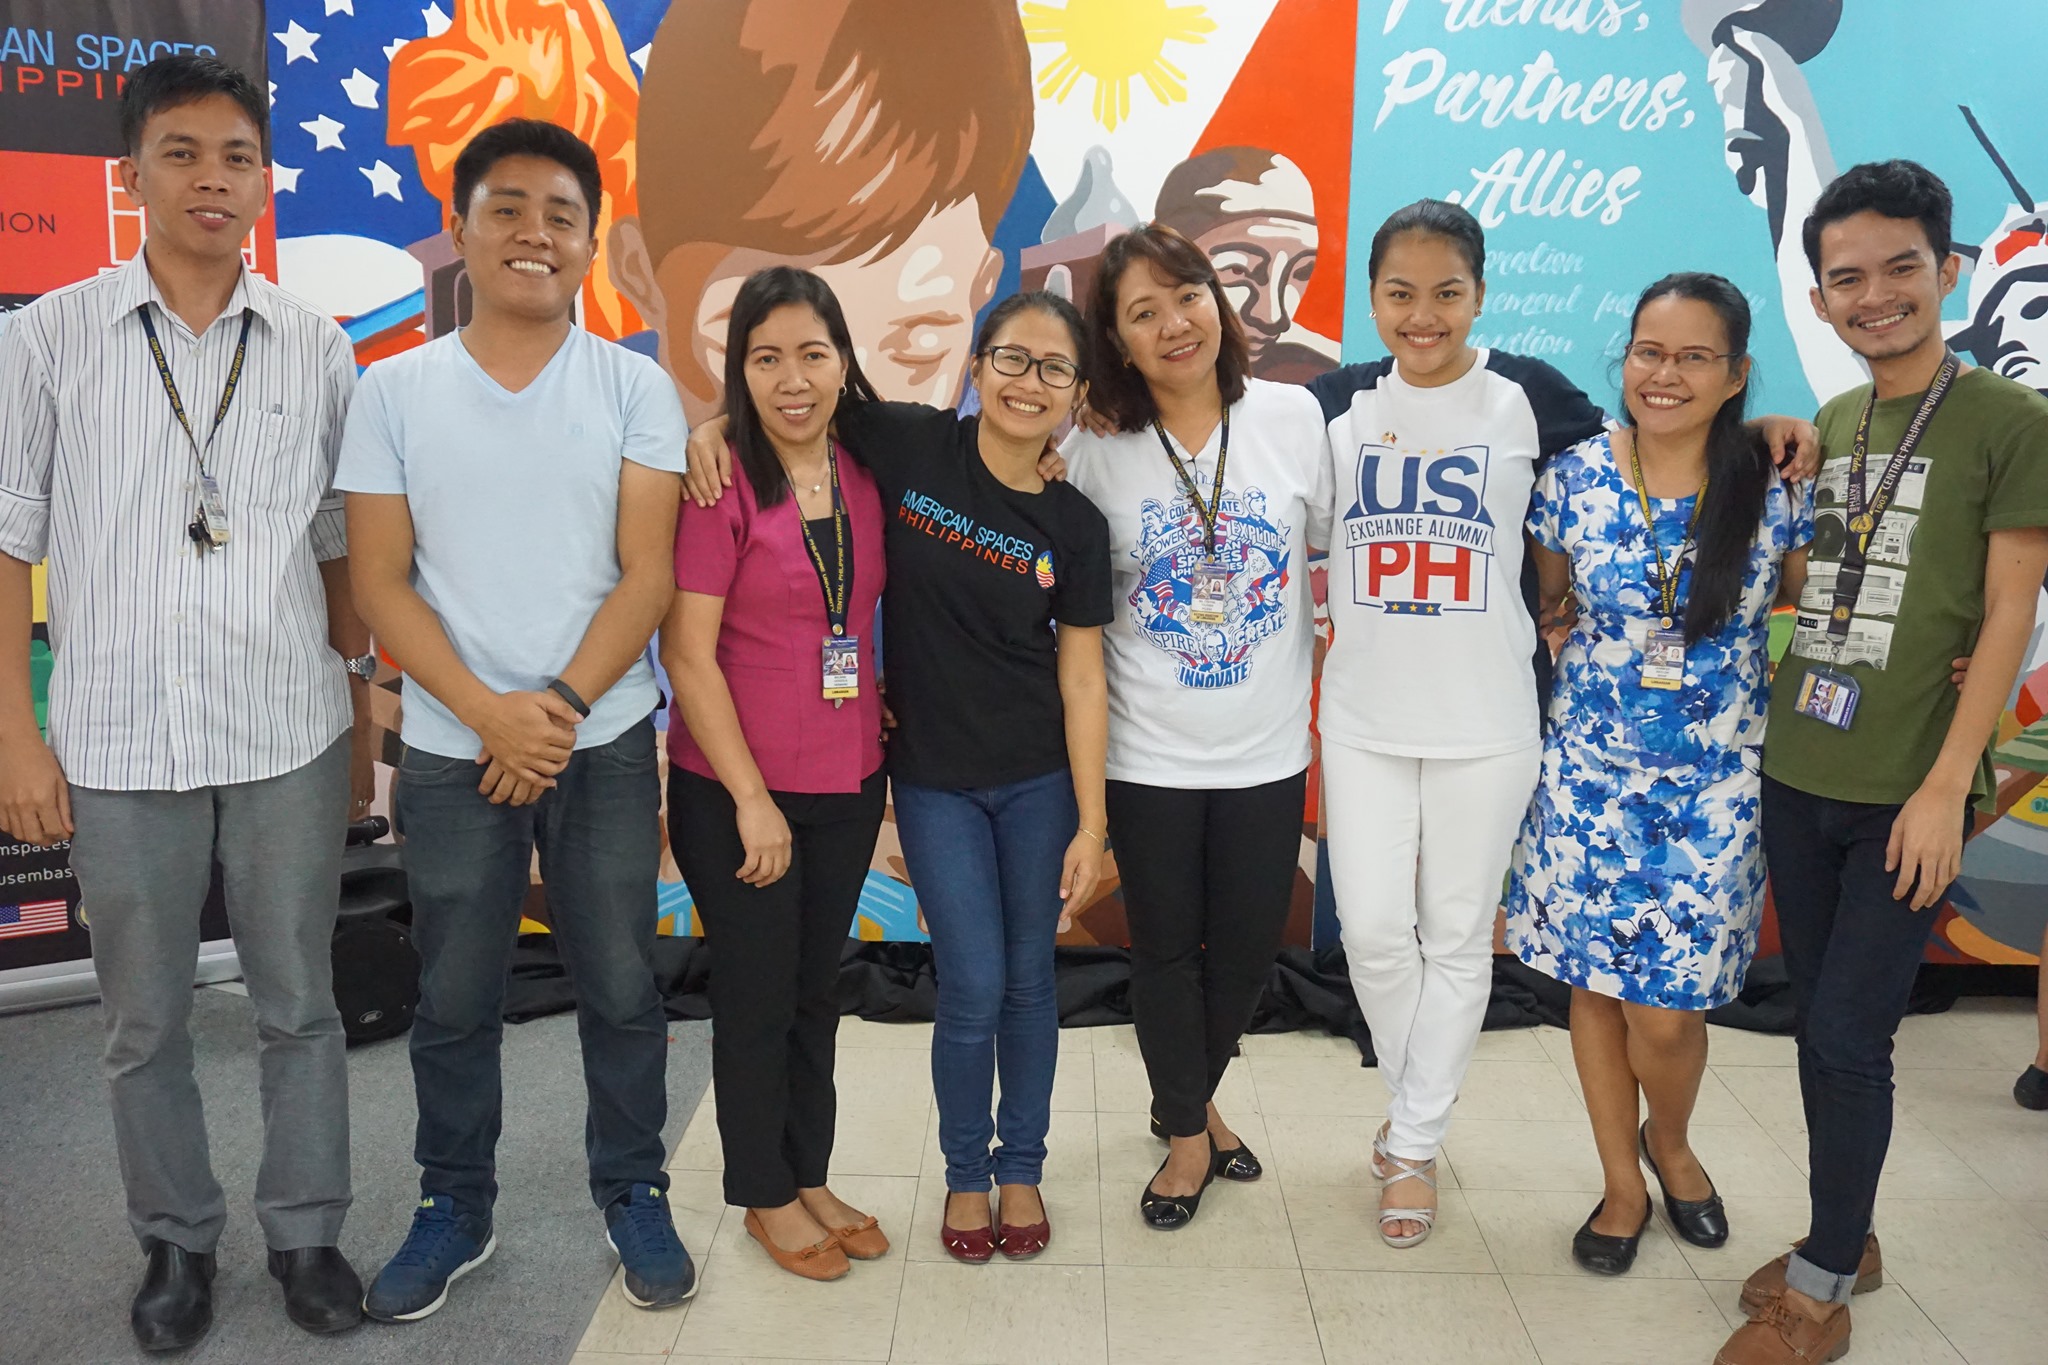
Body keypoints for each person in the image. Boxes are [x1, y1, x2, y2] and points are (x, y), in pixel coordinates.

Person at [0, 55, 374, 1350]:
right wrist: (13, 730)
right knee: (142, 1017)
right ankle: (174, 1241)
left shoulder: (318, 346)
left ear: (263, 182)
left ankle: (308, 1230)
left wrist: (362, 716)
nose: (212, 179)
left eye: (235, 158)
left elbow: (338, 545)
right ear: (130, 175)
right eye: (182, 153)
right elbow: (8, 541)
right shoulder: (45, 339)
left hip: (287, 727)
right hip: (117, 733)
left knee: (299, 1003)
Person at [339, 119, 694, 1320]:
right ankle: (453, 1204)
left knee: (621, 985)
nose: (533, 233)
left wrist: (553, 711)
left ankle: (632, 1186)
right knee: (451, 997)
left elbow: (644, 571)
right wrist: (491, 716)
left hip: (596, 745)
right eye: (507, 209)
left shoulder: (633, 386)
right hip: (449, 753)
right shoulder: (392, 390)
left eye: (560, 215)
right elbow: (382, 581)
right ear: (462, 228)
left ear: (591, 243)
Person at [685, 289, 1113, 1263]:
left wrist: (1091, 823)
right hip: (929, 780)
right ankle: (965, 1177)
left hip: (1039, 780)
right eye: (1009, 358)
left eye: (1051, 369)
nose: (1025, 382)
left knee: (1028, 984)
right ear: (975, 367)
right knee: (969, 985)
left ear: (1075, 397)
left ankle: (1021, 1172)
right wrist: (711, 422)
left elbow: (1082, 678)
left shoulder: (1075, 525)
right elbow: (797, 398)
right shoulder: (916, 446)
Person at [1718, 160, 2048, 1365]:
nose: (1874, 296)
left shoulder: (2008, 421)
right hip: (1799, 765)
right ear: (1817, 296)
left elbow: (2007, 612)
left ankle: (1818, 1285)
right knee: (1818, 1023)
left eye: (1899, 267)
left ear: (1946, 270)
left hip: (1905, 792)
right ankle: (1840, 1236)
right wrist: (1757, 431)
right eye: (1845, 277)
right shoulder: (1842, 419)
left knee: (1853, 1035)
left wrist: (1942, 786)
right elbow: (1827, 580)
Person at [1506, 273, 1814, 1275]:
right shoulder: (1574, 479)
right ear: (1623, 358)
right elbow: (1553, 603)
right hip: (1586, 781)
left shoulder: (1770, 485)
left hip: (1710, 794)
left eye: (1692, 357)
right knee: (1593, 991)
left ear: (1734, 376)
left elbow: (1822, 615)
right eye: (1647, 351)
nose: (1663, 373)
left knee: (1666, 1011)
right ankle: (1620, 1183)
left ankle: (1669, 1140)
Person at [1061, 224, 1329, 1230]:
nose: (1172, 323)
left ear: (1217, 303)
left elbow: (1339, 550)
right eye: (1141, 312)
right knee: (1166, 950)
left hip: (1266, 749)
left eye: (1186, 295)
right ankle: (1186, 1133)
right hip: (1148, 754)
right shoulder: (1095, 446)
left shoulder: (1293, 417)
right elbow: (1073, 611)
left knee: (1249, 952)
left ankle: (1185, 1095)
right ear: (1115, 341)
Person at [663, 267, 891, 1281]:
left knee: (813, 993)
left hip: (847, 777)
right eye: (765, 358)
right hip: (735, 790)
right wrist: (751, 799)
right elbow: (687, 655)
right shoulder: (719, 482)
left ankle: (807, 1173)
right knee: (756, 996)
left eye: (811, 353)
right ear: (737, 370)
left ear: (844, 359)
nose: (791, 378)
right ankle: (760, 1190)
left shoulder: (864, 466)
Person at [613, 0, 1033, 422]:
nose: (835, 398)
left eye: (919, 346)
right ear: (640, 275)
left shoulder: (983, 454)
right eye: (758, 342)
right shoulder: (605, 425)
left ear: (980, 287)